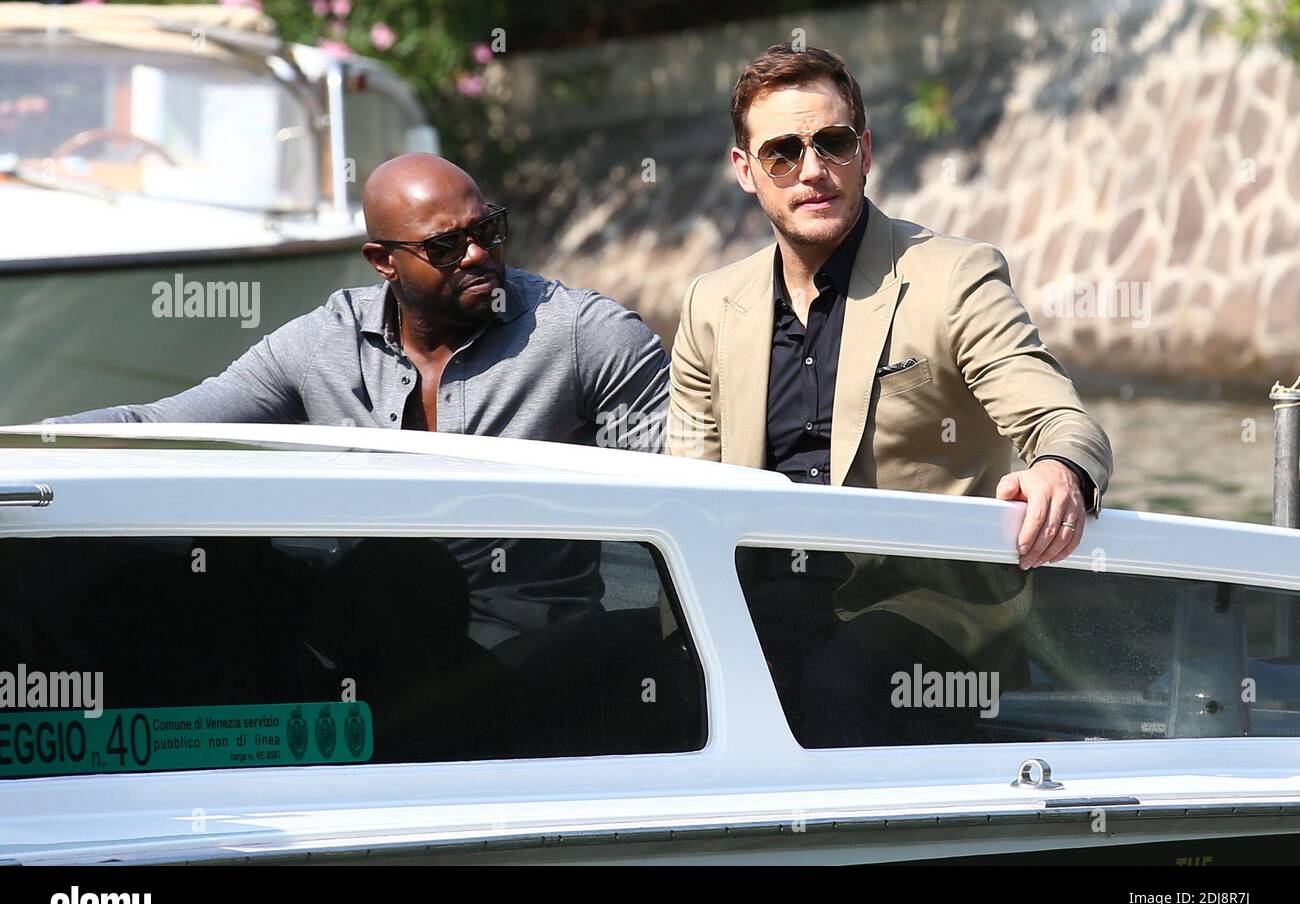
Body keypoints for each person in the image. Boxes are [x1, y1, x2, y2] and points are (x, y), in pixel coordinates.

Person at [667, 43, 1115, 745]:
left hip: (922, 605)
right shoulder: (710, 305)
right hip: (748, 596)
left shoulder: (954, 276)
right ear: (745, 171)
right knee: (626, 668)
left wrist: (1061, 470)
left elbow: (1061, 419)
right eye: (782, 153)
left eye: (833, 143)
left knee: (833, 685)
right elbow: (685, 484)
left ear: (865, 150)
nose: (813, 170)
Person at [49, 153, 672, 650]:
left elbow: (683, 483)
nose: (479, 254)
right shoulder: (325, 343)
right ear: (383, 261)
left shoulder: (582, 333)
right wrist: (33, 447)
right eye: (446, 247)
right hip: (367, 652)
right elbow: (163, 426)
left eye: (488, 230)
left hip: (539, 659)